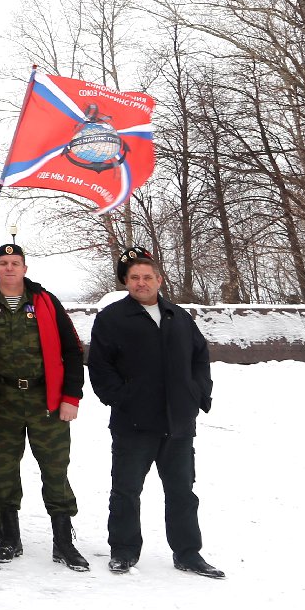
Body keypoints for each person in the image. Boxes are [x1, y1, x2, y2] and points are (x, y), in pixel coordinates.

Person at [88, 247, 224, 579]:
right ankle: (123, 550)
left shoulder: (179, 317)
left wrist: (197, 395)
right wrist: (121, 398)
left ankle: (188, 553)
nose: (141, 282)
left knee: (182, 491)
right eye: (134, 277)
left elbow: (199, 358)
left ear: (159, 280)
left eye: (147, 277)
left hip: (177, 423)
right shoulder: (112, 319)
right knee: (126, 491)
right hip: (134, 423)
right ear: (126, 282)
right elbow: (100, 367)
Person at [0, 243, 90, 570]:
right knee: (4, 469)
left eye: (15, 263)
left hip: (44, 400)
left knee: (55, 469)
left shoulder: (45, 301)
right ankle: (10, 537)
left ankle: (63, 541)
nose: (9, 268)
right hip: (1, 401)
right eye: (3, 263)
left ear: (25, 267)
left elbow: (73, 350)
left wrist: (71, 397)